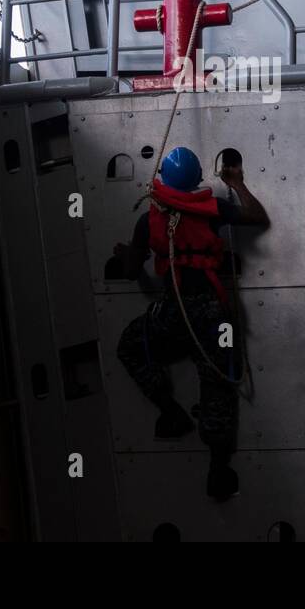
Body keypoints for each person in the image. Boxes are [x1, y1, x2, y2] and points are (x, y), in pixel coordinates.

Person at [114, 147, 269, 501]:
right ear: (198, 180)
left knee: (129, 346)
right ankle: (217, 468)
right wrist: (237, 184)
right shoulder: (212, 211)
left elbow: (129, 271)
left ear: (163, 179)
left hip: (174, 311)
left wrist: (127, 254)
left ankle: (171, 413)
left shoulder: (147, 220)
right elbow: (257, 217)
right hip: (213, 312)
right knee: (217, 383)